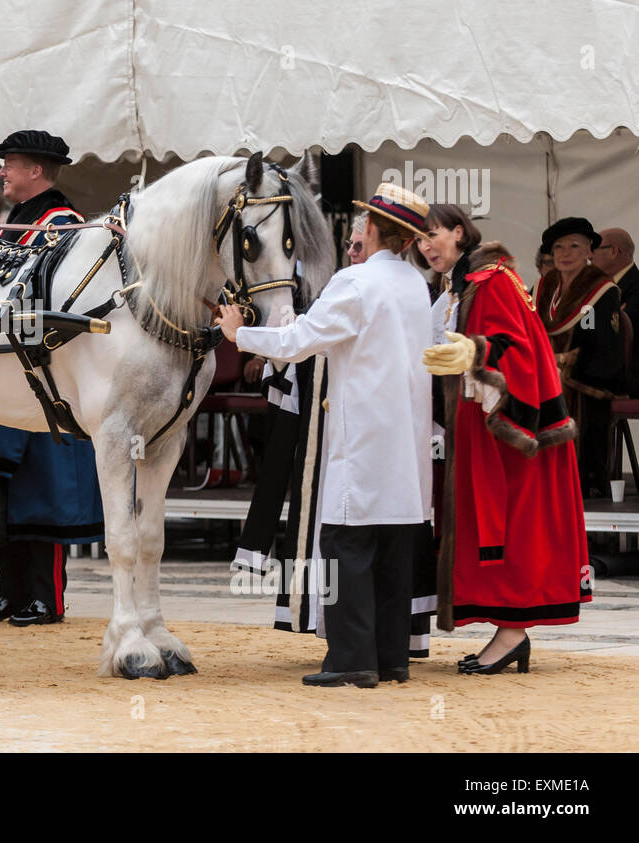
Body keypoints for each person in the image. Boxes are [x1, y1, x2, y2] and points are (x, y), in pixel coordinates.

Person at [218, 183, 433, 688]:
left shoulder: (354, 282)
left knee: (345, 548)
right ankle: (390, 657)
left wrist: (238, 334)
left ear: (375, 229)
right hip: (405, 438)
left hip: (363, 436)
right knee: (393, 549)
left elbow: (299, 340)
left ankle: (351, 659)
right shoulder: (416, 285)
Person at [422, 233, 592, 674]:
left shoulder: (491, 279)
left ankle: (513, 633)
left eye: (432, 235)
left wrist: (476, 351)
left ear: (457, 233)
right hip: (493, 426)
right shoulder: (467, 281)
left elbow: (518, 349)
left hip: (512, 429)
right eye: (419, 240)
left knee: (514, 523)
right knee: (501, 524)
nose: (425, 246)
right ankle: (508, 633)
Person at [0, 129, 103, 627]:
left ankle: (45, 596)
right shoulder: (22, 219)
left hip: (46, 373)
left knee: (42, 490)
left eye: (10, 163)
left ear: (36, 172)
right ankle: (11, 591)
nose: (1, 171)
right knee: (8, 487)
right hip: (9, 365)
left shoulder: (61, 223)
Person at [532, 217, 626, 498]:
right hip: (542, 375)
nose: (565, 253)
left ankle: (577, 481)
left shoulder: (602, 290)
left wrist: (565, 368)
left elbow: (605, 347)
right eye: (558, 247)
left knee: (571, 399)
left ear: (589, 252)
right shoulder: (543, 288)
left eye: (574, 245)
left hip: (583, 380)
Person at [594, 227, 638, 394]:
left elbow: (617, 331)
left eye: (594, 249)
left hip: (629, 373)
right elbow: (586, 325)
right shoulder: (601, 287)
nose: (589, 256)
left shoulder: (635, 286)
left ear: (613, 251)